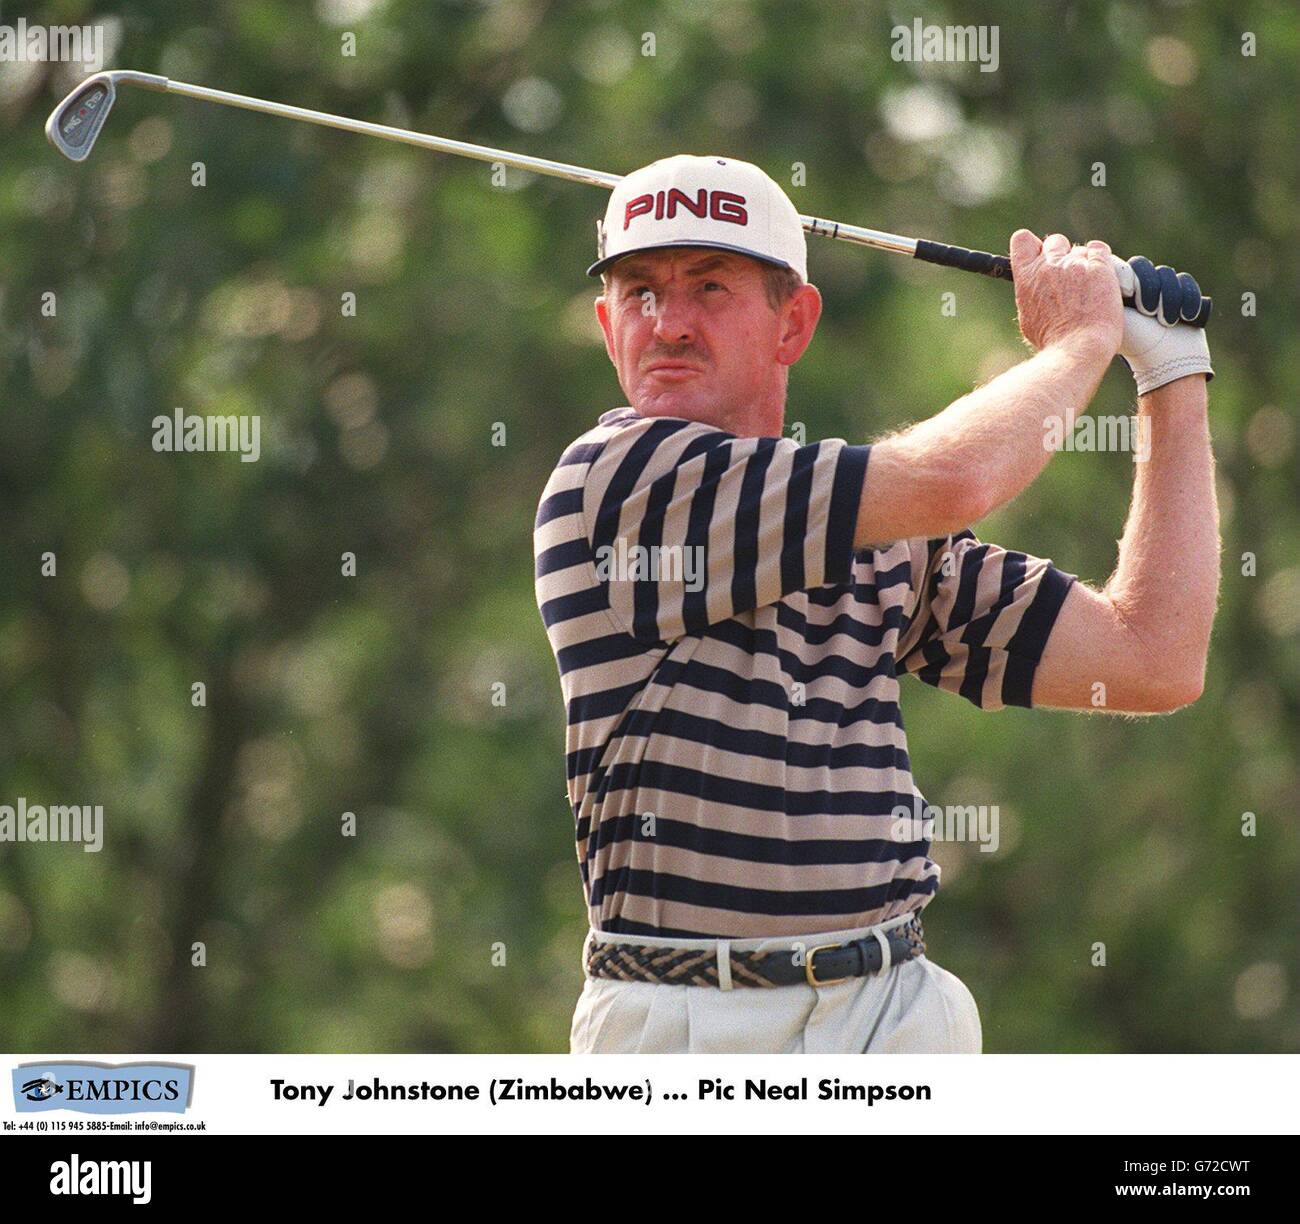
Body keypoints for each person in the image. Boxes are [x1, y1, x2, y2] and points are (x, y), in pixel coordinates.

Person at [532, 155, 1217, 1053]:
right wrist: (1082, 341)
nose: (668, 324)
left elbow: (1153, 659)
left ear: (794, 323)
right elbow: (957, 476)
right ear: (605, 322)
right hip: (682, 1025)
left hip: (889, 1012)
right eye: (638, 291)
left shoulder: (875, 533)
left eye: (709, 286)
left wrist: (1171, 376)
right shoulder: (615, 479)